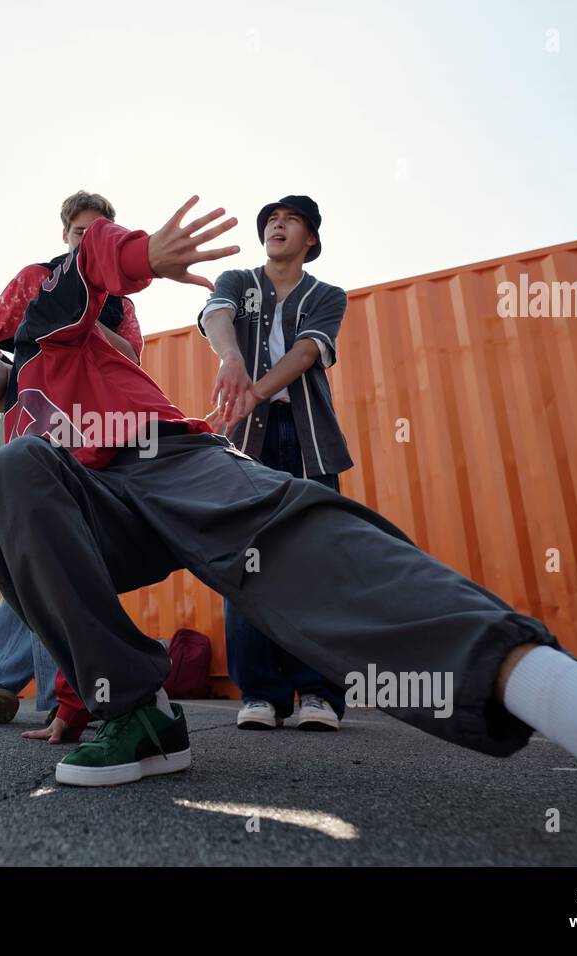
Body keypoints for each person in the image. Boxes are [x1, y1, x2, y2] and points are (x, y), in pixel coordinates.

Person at [0, 196, 577, 867]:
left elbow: (84, 262)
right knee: (13, 480)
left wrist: (137, 258)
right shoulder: (17, 442)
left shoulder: (40, 330)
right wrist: (77, 698)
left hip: (161, 458)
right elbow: (55, 589)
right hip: (99, 516)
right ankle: (133, 713)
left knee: (300, 538)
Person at [0, 191, 143, 741]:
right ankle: (2, 684)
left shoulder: (119, 301)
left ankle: (39, 691)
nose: (89, 239)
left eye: (101, 229)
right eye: (80, 231)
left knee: (60, 557)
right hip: (36, 435)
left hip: (100, 437)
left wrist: (81, 321)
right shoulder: (35, 280)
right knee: (34, 554)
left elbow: (130, 359)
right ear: (65, 236)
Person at [201, 194, 352, 731]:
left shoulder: (327, 295)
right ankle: (260, 693)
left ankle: (318, 693)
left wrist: (252, 393)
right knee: (245, 559)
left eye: (289, 220)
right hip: (247, 441)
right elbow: (215, 314)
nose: (276, 225)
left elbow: (308, 353)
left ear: (310, 238)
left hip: (310, 442)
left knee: (316, 560)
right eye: (270, 220)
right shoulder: (237, 281)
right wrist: (232, 359)